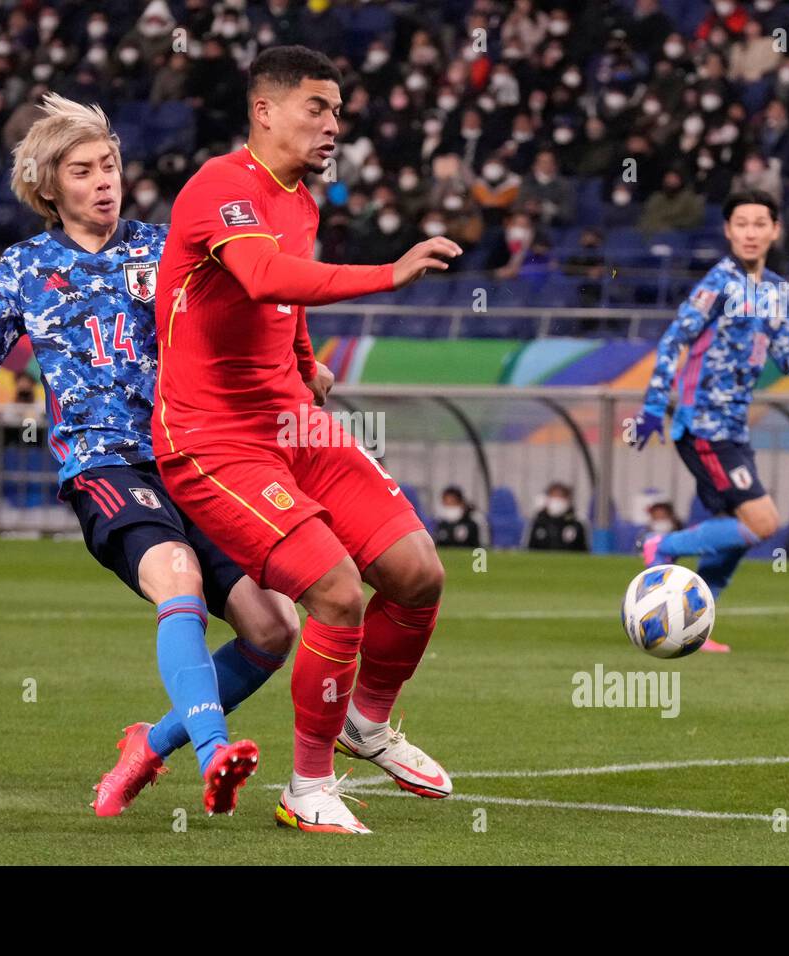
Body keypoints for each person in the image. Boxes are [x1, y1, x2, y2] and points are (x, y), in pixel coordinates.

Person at [0, 93, 301, 819]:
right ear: (48, 186)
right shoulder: (24, 266)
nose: (103, 180)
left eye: (110, 164)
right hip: (103, 466)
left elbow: (237, 317)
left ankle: (148, 746)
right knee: (175, 573)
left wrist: (291, 364)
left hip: (190, 457)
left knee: (276, 629)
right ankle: (216, 755)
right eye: (84, 170)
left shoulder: (163, 246)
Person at [153, 46, 462, 834]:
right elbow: (261, 277)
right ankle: (307, 787)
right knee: (334, 591)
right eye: (318, 108)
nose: (334, 125)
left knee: (417, 572)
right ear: (265, 111)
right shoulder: (221, 187)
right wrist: (387, 274)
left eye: (338, 112)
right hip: (211, 441)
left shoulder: (301, 200)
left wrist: (305, 365)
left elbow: (280, 307)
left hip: (293, 422)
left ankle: (367, 721)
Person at [633, 189, 789, 652]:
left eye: (761, 224)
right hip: (704, 428)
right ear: (728, 230)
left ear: (775, 230)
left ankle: (693, 624)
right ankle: (665, 546)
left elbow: (787, 357)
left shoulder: (776, 289)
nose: (751, 232)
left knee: (738, 532)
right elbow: (673, 340)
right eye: (742, 223)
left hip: (733, 431)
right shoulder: (718, 283)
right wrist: (655, 403)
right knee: (763, 522)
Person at [527, 482, 588, 551]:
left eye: (560, 497)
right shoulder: (538, 523)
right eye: (554, 496)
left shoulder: (577, 525)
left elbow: (583, 551)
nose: (557, 501)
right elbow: (529, 549)